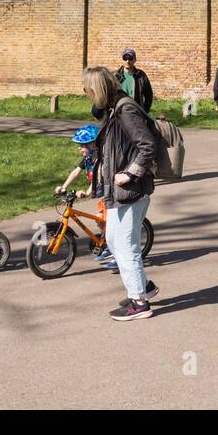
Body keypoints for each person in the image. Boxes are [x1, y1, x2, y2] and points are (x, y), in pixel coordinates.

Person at [84, 66, 160, 322]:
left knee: (126, 246)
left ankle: (140, 302)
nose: (87, 94)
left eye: (89, 90)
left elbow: (147, 145)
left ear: (99, 89)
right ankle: (144, 286)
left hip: (132, 189)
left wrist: (130, 173)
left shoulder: (126, 109)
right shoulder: (113, 110)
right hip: (118, 191)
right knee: (114, 241)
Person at [55, 124, 116, 270]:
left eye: (82, 144)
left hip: (111, 195)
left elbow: (98, 178)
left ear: (93, 144)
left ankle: (117, 254)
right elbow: (75, 172)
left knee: (109, 225)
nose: (79, 148)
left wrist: (87, 192)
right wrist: (63, 187)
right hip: (102, 196)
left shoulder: (101, 160)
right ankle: (107, 245)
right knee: (100, 222)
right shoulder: (88, 158)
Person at [114, 48, 154, 113]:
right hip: (119, 111)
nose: (127, 61)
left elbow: (149, 95)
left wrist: (145, 111)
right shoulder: (115, 75)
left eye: (130, 58)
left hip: (136, 111)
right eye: (125, 58)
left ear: (135, 59)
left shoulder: (141, 76)